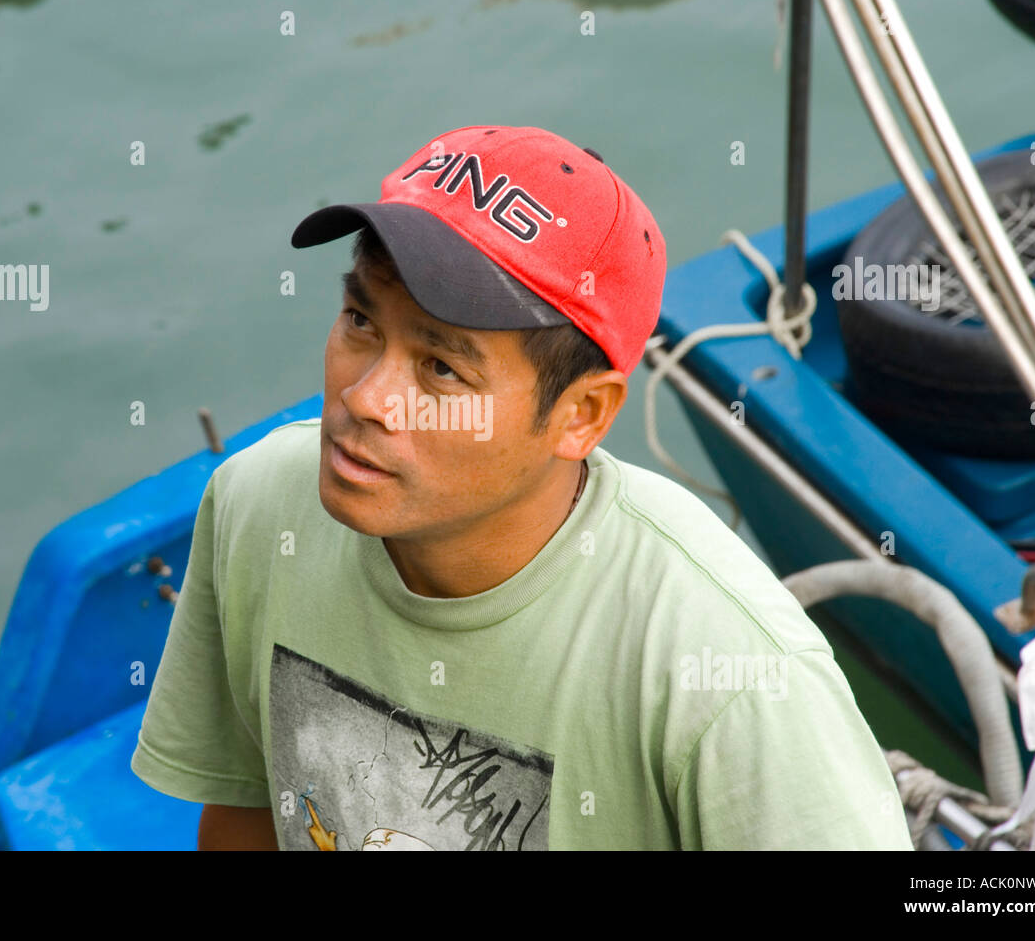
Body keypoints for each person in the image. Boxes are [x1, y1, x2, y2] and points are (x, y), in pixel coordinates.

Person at [130, 124, 914, 851]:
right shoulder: (260, 504)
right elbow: (245, 814)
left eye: (441, 369)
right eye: (360, 321)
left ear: (581, 415)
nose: (365, 398)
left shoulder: (727, 675)